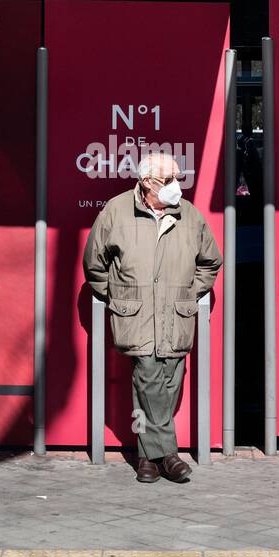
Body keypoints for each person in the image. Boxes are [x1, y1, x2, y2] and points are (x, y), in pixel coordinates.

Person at [83, 151, 222, 484]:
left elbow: (210, 262)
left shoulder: (189, 215)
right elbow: (94, 265)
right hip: (137, 316)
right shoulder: (116, 211)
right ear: (146, 182)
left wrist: (190, 292)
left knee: (169, 380)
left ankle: (148, 456)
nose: (177, 185)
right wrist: (119, 296)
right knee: (147, 374)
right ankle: (169, 455)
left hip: (176, 314)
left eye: (178, 177)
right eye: (169, 179)